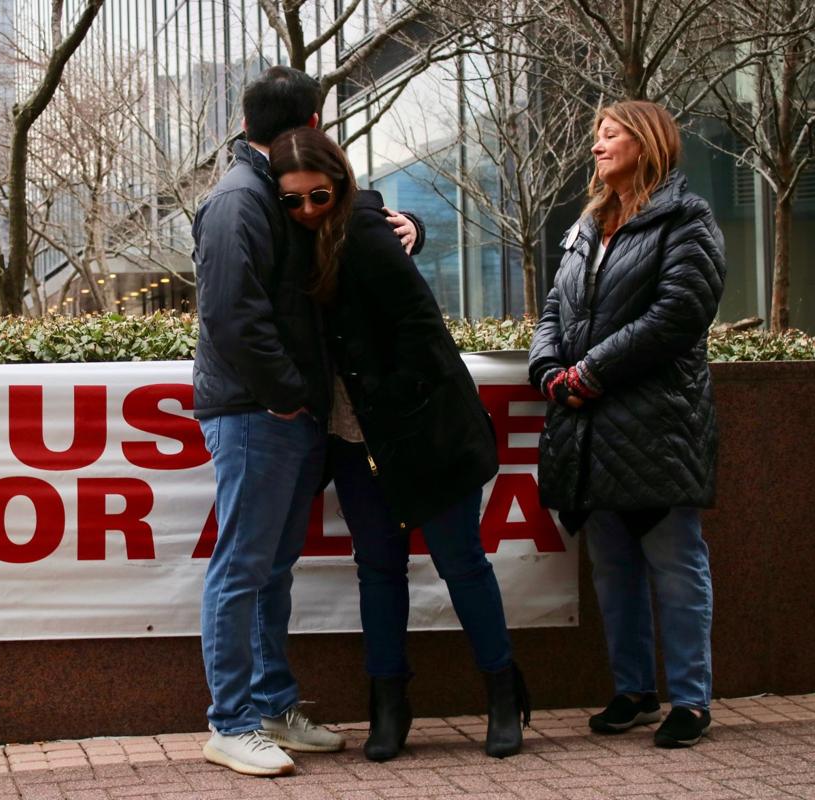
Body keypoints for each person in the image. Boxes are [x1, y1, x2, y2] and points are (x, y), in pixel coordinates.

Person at [267, 126, 529, 762]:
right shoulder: (296, 241)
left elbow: (420, 323)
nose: (306, 210)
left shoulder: (363, 229)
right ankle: (388, 703)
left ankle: (503, 692)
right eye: (292, 200)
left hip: (422, 429)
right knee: (378, 570)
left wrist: (393, 393)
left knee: (460, 561)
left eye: (318, 196)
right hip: (353, 440)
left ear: (341, 185)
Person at [191, 65, 417, 778]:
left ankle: (269, 708)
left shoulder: (266, 190)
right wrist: (288, 392)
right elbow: (232, 315)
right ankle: (230, 722)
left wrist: (403, 226)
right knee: (242, 569)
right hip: (259, 411)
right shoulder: (238, 200)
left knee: (270, 569)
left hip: (279, 411)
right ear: (310, 126)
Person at [528, 100, 725, 748]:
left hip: (657, 425)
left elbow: (678, 314)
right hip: (591, 429)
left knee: (676, 563)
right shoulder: (587, 224)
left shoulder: (685, 219)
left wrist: (590, 373)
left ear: (646, 142)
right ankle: (634, 692)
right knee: (613, 566)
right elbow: (555, 305)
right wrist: (548, 368)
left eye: (609, 135)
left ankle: (691, 702)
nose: (597, 147)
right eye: (597, 136)